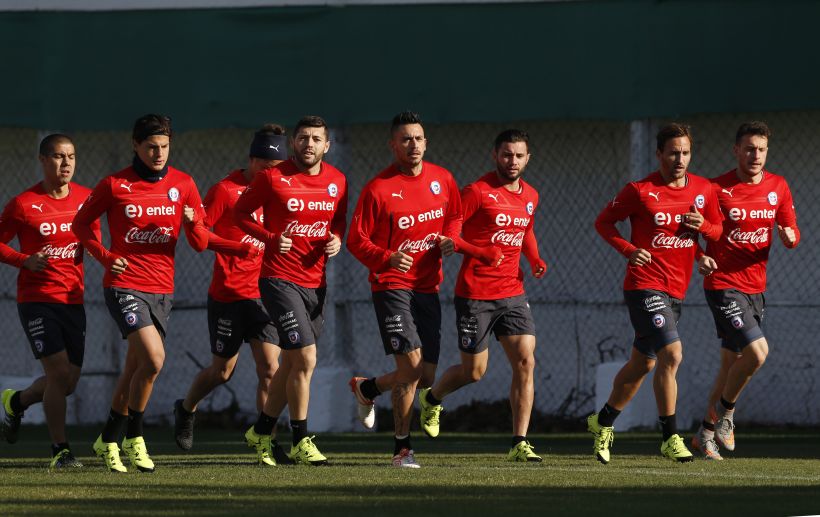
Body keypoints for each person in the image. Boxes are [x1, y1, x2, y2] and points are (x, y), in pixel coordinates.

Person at [73, 114, 251, 473]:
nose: (158, 153)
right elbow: (81, 225)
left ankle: (107, 439)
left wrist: (223, 240)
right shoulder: (114, 184)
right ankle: (135, 437)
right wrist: (106, 257)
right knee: (154, 359)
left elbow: (198, 241)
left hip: (161, 289)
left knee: (135, 368)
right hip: (124, 285)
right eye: (151, 146)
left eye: (165, 146)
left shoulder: (183, 184)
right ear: (136, 145)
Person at [589, 123, 722, 464]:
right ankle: (670, 437)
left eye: (686, 152)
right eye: (673, 153)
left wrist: (702, 248)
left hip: (676, 289)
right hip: (643, 284)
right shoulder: (640, 190)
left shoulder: (704, 189)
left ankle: (603, 421)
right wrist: (629, 250)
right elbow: (604, 222)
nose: (680, 159)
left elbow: (715, 231)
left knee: (642, 364)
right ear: (659, 153)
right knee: (672, 355)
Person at [414, 129, 547, 462]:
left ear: (528, 158)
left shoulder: (531, 195)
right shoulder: (476, 192)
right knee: (474, 372)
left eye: (519, 156)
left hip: (513, 292)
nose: (512, 161)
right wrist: (481, 252)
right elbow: (450, 234)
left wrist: (534, 258)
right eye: (506, 154)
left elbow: (526, 229)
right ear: (495, 155)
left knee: (526, 361)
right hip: (475, 294)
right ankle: (432, 399)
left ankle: (519, 442)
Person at [346, 111, 461, 468]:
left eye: (419, 138)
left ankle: (368, 388)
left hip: (428, 286)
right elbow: (356, 240)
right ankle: (402, 449)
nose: (413, 144)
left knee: (425, 376)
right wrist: (387, 257)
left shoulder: (443, 179)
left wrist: (451, 238)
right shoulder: (378, 188)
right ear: (393, 145)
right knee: (410, 367)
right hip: (391, 286)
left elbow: (455, 216)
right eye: (406, 139)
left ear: (426, 142)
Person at [235, 115, 347, 466]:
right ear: (292, 143)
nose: (309, 144)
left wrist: (337, 238)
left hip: (316, 284)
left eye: (316, 139)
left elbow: (338, 219)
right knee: (306, 358)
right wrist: (269, 238)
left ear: (327, 145)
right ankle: (300, 439)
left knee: (292, 362)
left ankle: (261, 431)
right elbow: (241, 214)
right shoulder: (272, 177)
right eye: (303, 138)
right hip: (279, 280)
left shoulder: (338, 181)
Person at [173, 124, 288, 459]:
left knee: (270, 369)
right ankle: (186, 407)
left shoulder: (281, 192)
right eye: (265, 166)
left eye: (276, 168)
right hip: (229, 295)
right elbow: (200, 236)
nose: (270, 173)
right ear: (251, 160)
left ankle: (266, 441)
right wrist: (230, 245)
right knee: (222, 372)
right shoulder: (225, 191)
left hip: (265, 293)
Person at [691, 121, 799, 460]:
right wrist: (700, 257)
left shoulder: (778, 186)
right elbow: (689, 230)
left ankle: (705, 435)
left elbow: (790, 228)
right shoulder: (715, 188)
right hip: (723, 285)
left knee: (730, 367)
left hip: (755, 288)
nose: (756, 155)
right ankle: (727, 415)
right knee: (757, 352)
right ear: (736, 150)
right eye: (749, 149)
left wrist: (790, 237)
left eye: (762, 149)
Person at [0, 134, 97, 469]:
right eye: (58, 156)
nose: (66, 163)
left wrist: (100, 251)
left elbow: (93, 235)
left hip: (73, 299)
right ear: (43, 160)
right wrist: (23, 260)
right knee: (58, 373)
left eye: (71, 156)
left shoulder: (86, 198)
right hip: (37, 300)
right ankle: (60, 450)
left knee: (67, 383)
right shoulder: (23, 204)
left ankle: (17, 402)